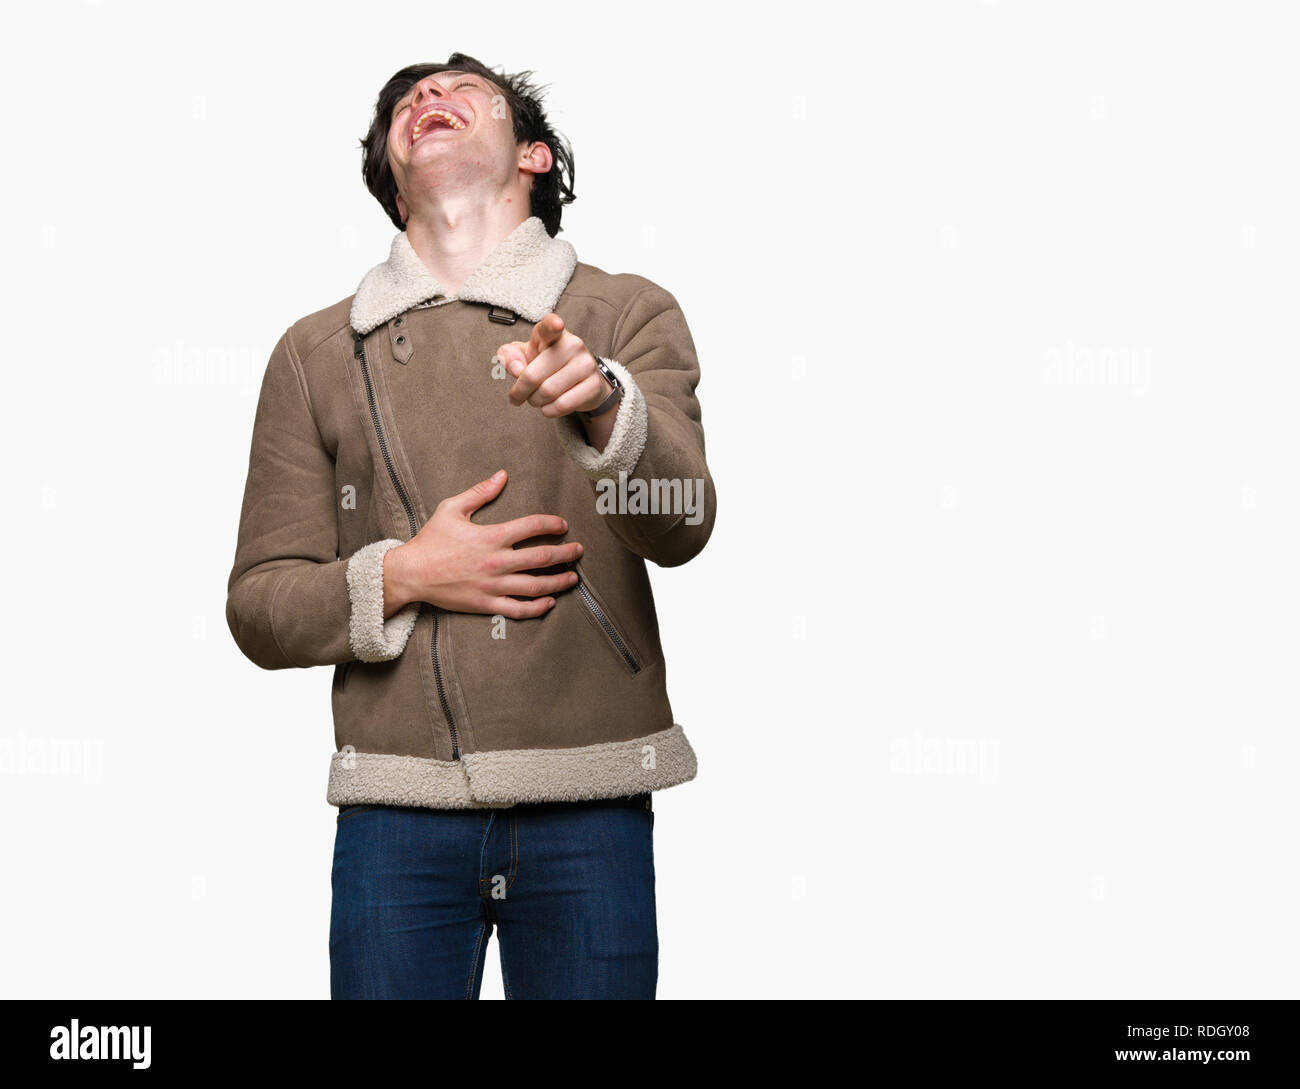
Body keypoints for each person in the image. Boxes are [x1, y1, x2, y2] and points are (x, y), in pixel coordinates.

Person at [225, 54, 716, 999]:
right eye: (407, 102)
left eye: (462, 91)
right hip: (396, 810)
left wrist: (606, 406)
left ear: (533, 154)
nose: (427, 100)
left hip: (590, 796)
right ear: (389, 175)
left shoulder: (626, 312)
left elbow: (685, 521)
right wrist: (401, 575)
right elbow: (259, 605)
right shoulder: (315, 353)